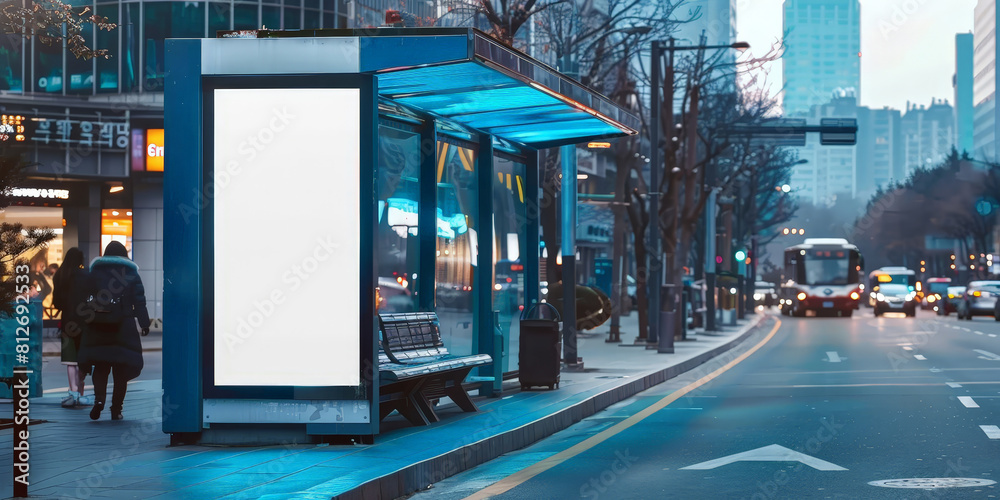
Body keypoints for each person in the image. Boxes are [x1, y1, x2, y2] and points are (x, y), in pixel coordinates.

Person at [78, 241, 151, 421]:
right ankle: (116, 409)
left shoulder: (94, 271)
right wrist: (144, 323)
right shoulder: (131, 272)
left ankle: (99, 401)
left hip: (98, 325)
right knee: (121, 370)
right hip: (123, 327)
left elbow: (83, 298)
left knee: (101, 366)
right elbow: (139, 300)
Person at [51, 248, 93, 408]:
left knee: (70, 361)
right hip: (85, 323)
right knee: (83, 359)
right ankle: (80, 392)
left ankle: (73, 392)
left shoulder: (60, 275)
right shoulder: (86, 276)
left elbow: (57, 303)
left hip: (67, 323)